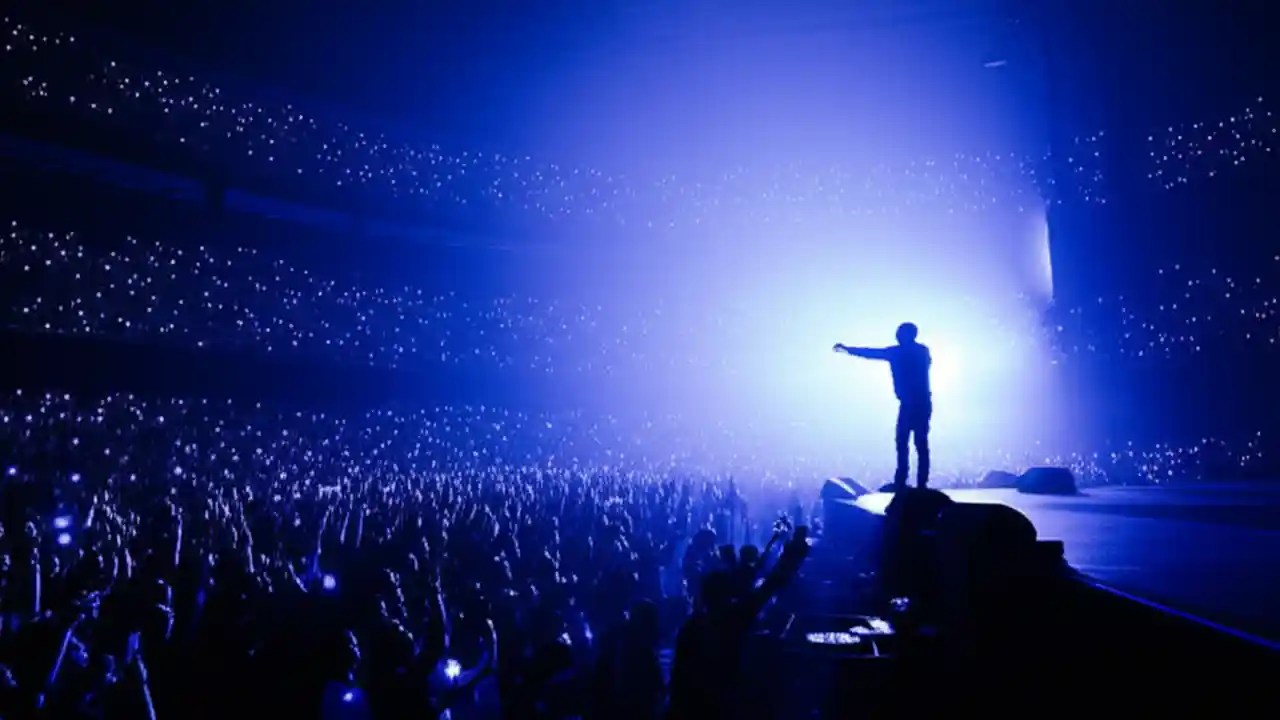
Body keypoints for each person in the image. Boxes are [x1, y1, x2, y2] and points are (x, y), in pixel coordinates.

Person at [833, 322, 932, 490]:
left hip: (912, 403)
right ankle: (918, 482)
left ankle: (904, 481)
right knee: (917, 442)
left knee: (906, 442)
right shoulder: (920, 351)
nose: (897, 336)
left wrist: (848, 350)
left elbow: (871, 353)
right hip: (919, 402)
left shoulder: (899, 352)